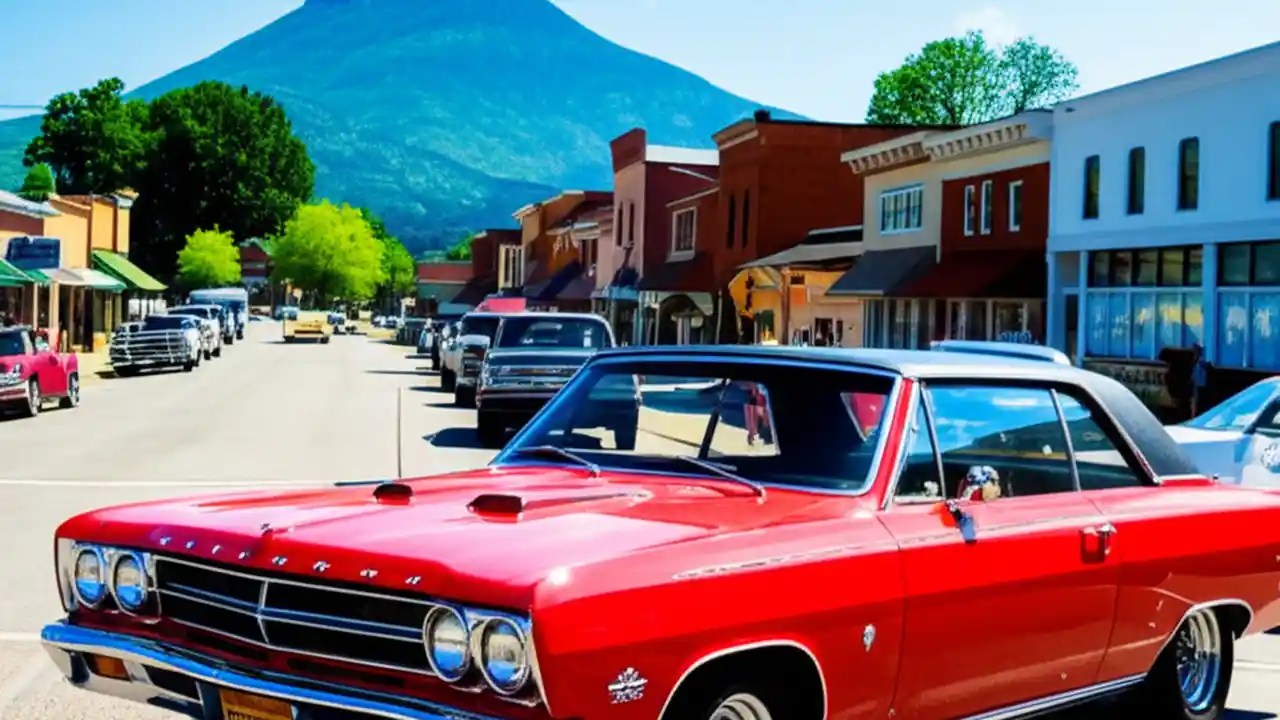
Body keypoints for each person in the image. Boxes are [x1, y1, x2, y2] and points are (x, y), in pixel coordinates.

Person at [1190, 343, 1210, 417]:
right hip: (1199, 384)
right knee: (1196, 401)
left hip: (1197, 384)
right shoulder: (1200, 362)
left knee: (1195, 400)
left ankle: (1194, 415)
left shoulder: (1198, 362)